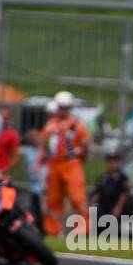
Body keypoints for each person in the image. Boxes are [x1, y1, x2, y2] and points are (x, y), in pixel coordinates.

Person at [39, 92, 90, 235]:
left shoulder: (76, 124)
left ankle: (82, 230)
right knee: (53, 199)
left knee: (77, 197)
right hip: (54, 164)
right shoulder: (50, 124)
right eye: (61, 107)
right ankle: (53, 230)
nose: (63, 110)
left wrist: (83, 156)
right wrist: (41, 161)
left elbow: (85, 142)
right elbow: (44, 144)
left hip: (71, 163)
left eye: (66, 107)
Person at [90, 149, 131, 220]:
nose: (112, 164)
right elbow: (98, 192)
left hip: (115, 208)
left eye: (114, 162)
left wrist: (118, 208)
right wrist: (91, 205)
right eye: (110, 162)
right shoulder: (103, 177)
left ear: (118, 163)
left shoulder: (122, 177)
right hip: (103, 207)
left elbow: (124, 194)